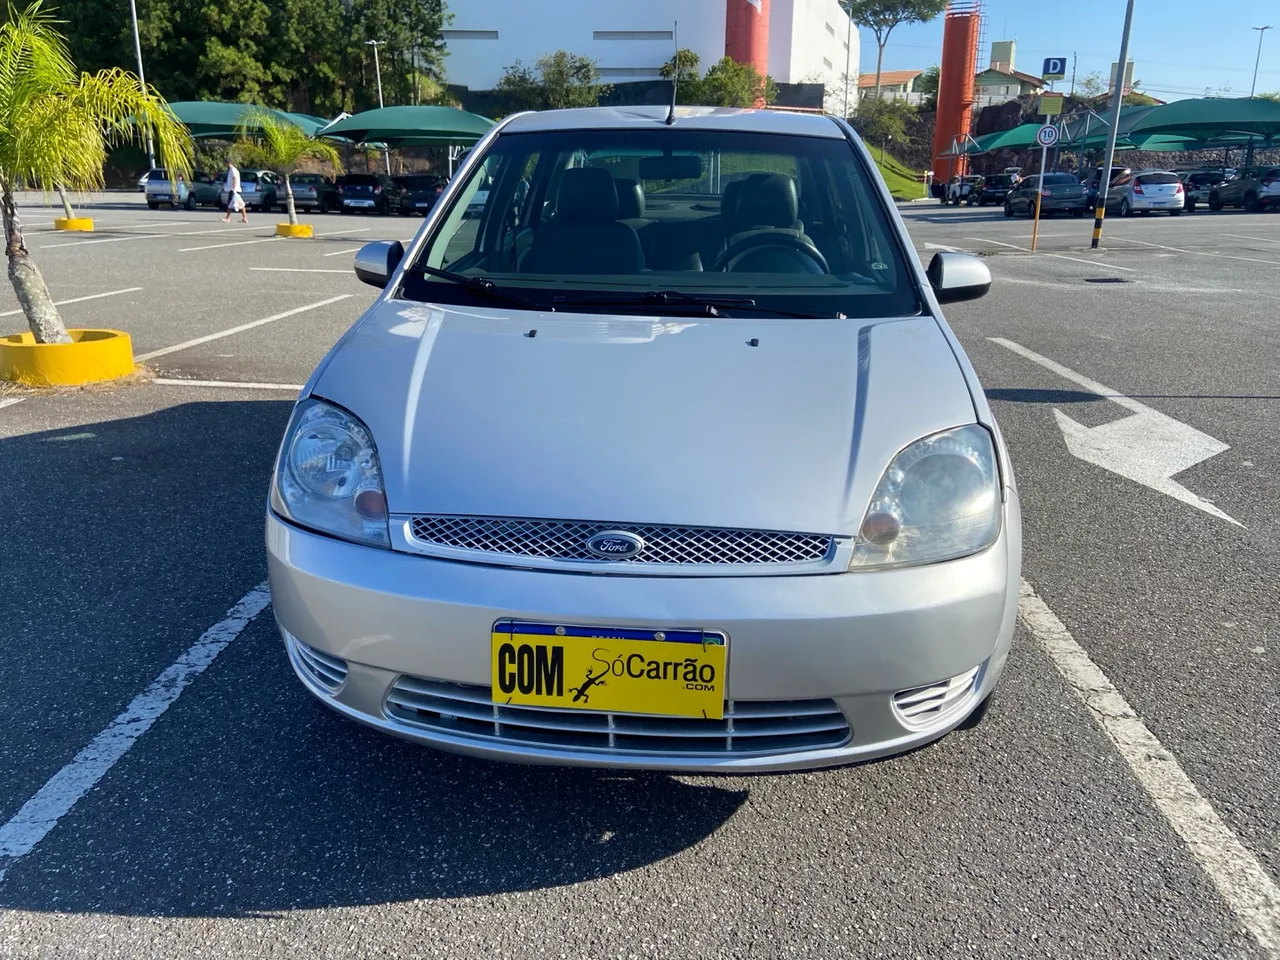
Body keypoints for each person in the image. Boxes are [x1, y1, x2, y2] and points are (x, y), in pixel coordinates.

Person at [221, 159, 247, 223]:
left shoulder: (233, 170)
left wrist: (233, 189)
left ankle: (227, 218)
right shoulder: (232, 170)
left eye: (225, 163)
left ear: (228, 163)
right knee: (240, 204)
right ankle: (244, 218)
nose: (225, 165)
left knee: (230, 203)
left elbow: (234, 178)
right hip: (235, 190)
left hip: (234, 190)